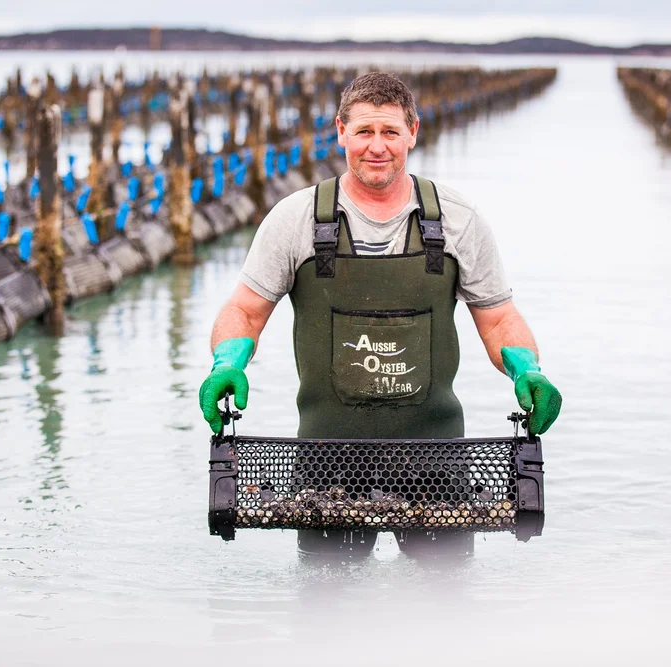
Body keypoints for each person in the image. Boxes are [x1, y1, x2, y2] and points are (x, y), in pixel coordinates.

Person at [199, 71, 561, 557]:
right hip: (327, 465)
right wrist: (226, 364)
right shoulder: (295, 218)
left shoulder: (457, 220)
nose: (377, 146)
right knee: (329, 597)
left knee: (446, 595)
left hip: (436, 461)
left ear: (413, 131)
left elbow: (498, 319)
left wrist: (527, 370)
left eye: (390, 131)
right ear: (340, 131)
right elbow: (244, 311)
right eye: (364, 131)